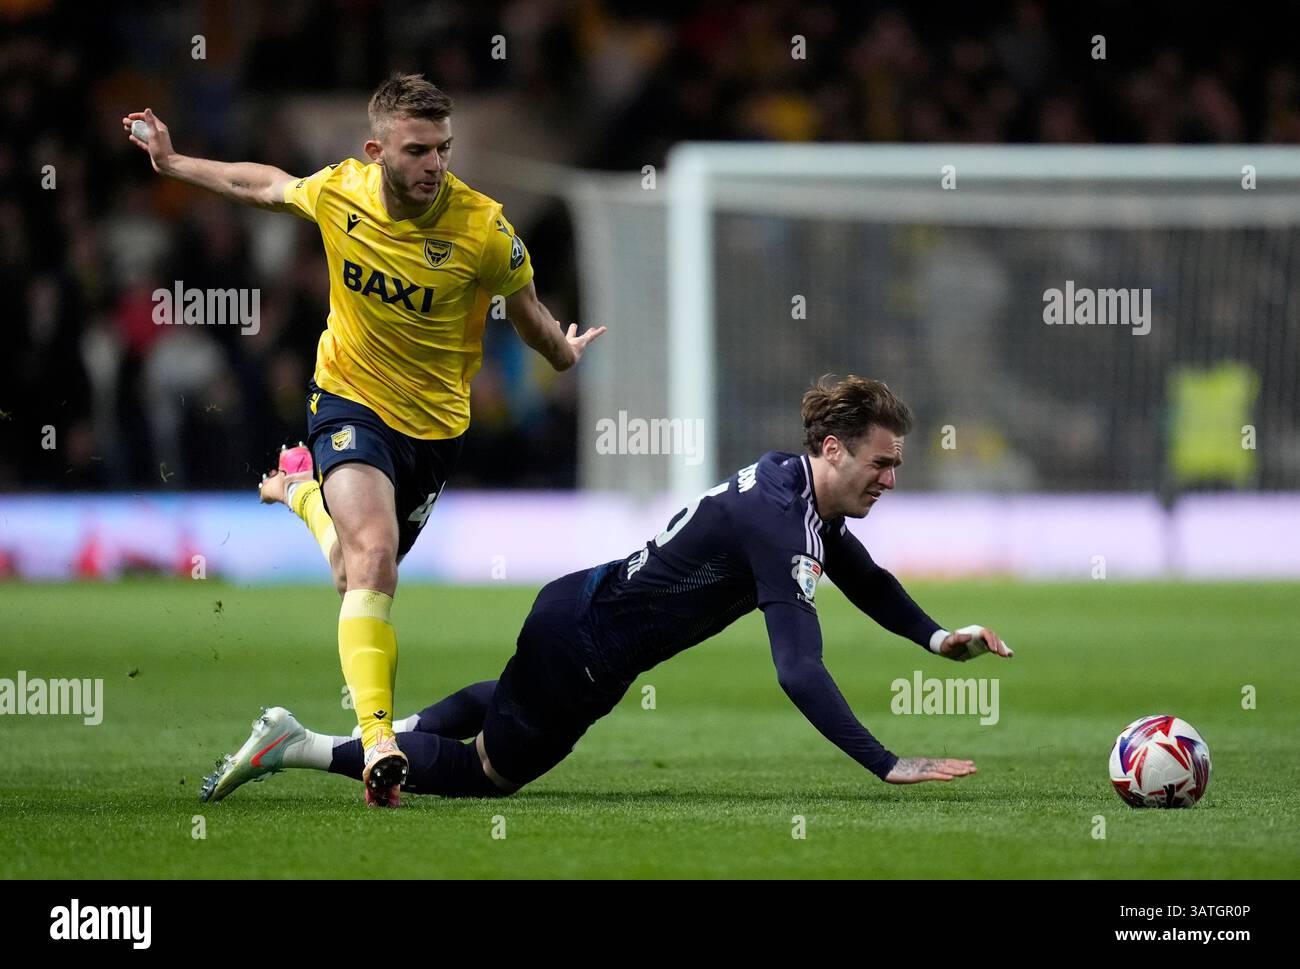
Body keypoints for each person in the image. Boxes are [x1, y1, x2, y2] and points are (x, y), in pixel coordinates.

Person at [125, 75, 605, 807]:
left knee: (357, 576)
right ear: (376, 149)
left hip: (435, 430)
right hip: (348, 399)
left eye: (443, 149)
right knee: (375, 556)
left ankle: (302, 496)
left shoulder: (484, 230)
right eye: (417, 150)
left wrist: (563, 356)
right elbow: (263, 184)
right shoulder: (341, 192)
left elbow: (529, 313)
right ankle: (378, 737)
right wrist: (173, 162)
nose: (434, 165)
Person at [201, 376, 1013, 805]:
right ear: (833, 449)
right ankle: (299, 745)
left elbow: (860, 572)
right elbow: (799, 669)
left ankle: (400, 723)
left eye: (898, 464)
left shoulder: (790, 486)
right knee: (491, 773)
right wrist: (886, 762)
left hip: (576, 611)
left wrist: (938, 637)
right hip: (588, 650)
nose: (892, 478)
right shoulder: (780, 522)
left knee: (506, 696)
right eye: (881, 463)